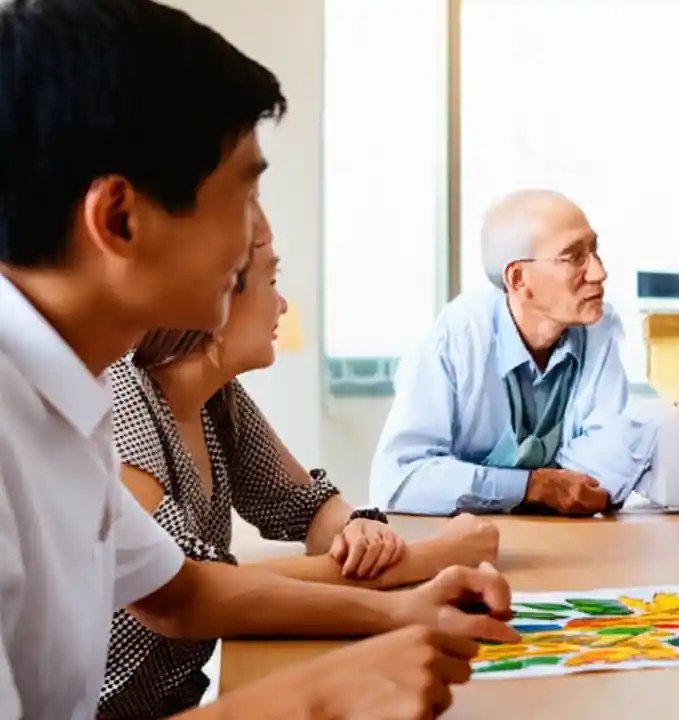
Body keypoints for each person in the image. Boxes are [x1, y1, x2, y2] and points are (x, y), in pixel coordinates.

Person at [0, 2, 515, 718]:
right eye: (242, 196)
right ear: (120, 219)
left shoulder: (66, 392)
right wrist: (317, 697)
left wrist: (403, 614)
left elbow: (182, 595)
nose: (251, 246)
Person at [102, 223, 502, 717]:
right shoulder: (121, 394)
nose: (284, 305)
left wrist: (359, 532)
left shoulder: (216, 398)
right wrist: (424, 561)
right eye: (272, 283)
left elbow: (306, 506)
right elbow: (188, 584)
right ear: (217, 292)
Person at [370, 189, 679, 516]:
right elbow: (398, 479)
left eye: (595, 252)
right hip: (464, 544)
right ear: (518, 278)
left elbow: (605, 460)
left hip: (560, 538)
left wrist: (497, 486)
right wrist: (532, 486)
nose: (599, 273)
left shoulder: (598, 327)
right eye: (574, 257)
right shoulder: (456, 338)